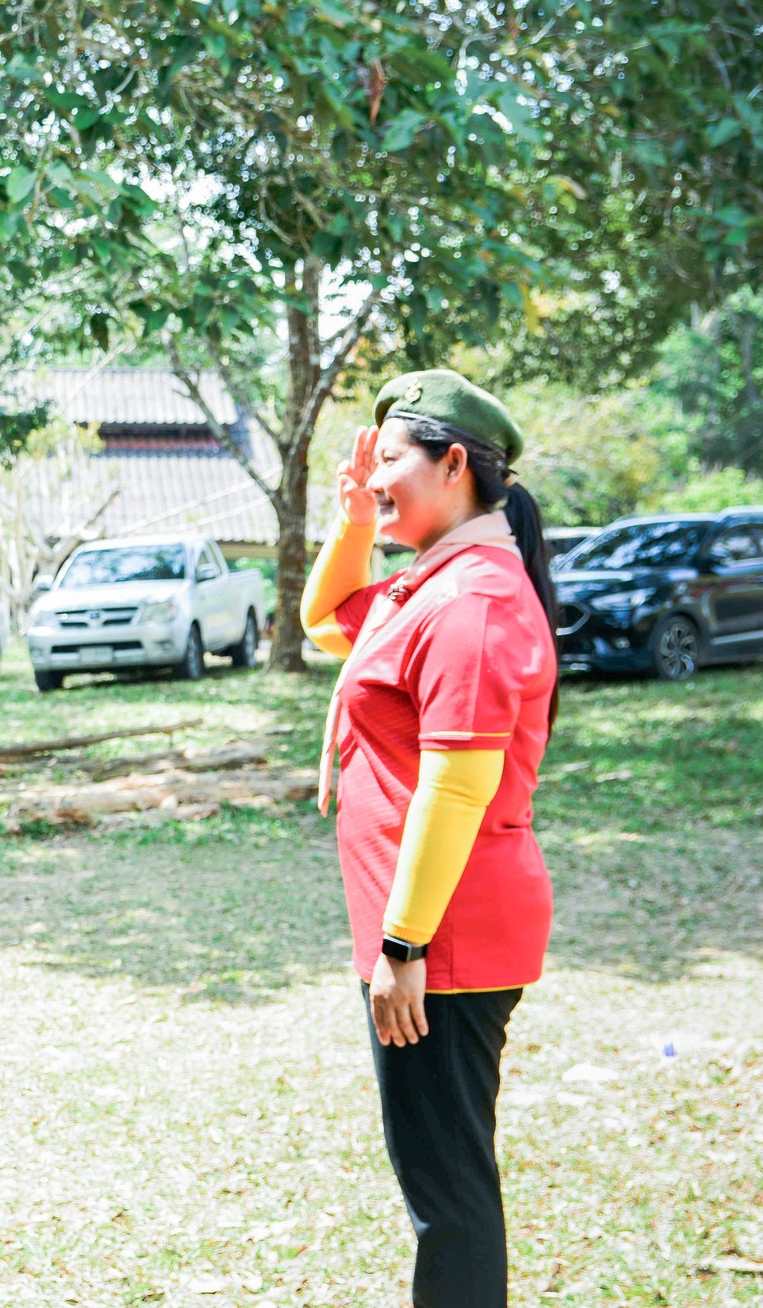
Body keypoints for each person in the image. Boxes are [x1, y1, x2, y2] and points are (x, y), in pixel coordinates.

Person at [299, 370, 558, 1308]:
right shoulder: (428, 585)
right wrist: (353, 522)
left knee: (448, 1197)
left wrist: (403, 946)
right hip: (424, 940)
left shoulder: (471, 602)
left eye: (393, 458)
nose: (376, 475)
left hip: (442, 944)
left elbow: (456, 786)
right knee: (440, 1185)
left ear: (454, 466)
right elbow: (324, 622)